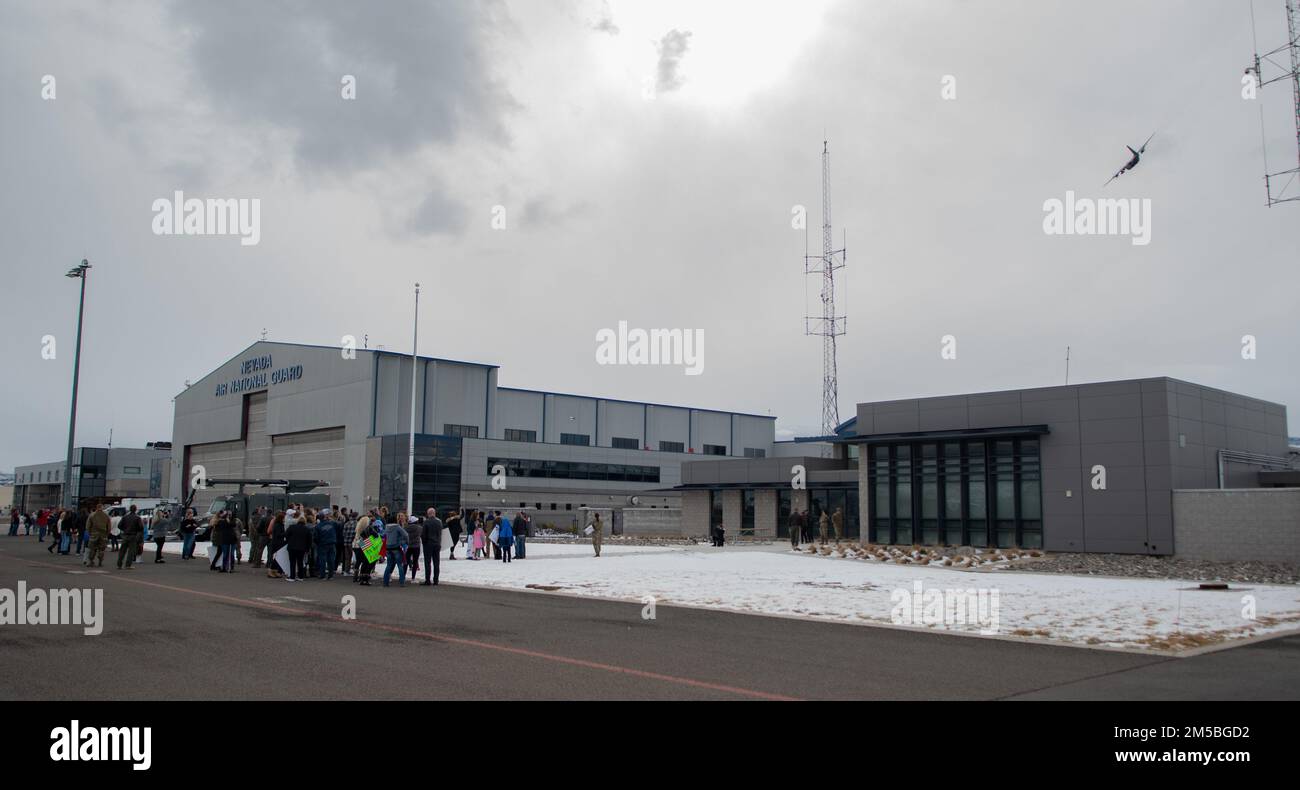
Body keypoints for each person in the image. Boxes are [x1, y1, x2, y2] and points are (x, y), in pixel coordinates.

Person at [383, 512, 409, 587]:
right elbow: (406, 534)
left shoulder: (386, 527)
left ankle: (385, 582)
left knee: (388, 565)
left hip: (388, 548)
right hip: (396, 548)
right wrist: (405, 542)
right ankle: (401, 582)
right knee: (399, 565)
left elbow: (383, 535)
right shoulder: (397, 527)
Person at [285, 510, 312, 582]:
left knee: (292, 562)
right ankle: (300, 577)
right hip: (302, 548)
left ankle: (292, 577)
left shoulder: (292, 527)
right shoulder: (307, 529)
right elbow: (309, 540)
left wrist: (289, 542)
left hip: (292, 547)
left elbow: (286, 535)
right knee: (300, 562)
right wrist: (307, 548)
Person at [117, 505, 144, 570]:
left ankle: (119, 564)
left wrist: (125, 529)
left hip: (125, 535)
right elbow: (141, 527)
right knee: (131, 551)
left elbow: (119, 525)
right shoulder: (137, 518)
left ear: (130, 509)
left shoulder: (125, 517)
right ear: (135, 510)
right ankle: (128, 565)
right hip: (133, 535)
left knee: (122, 551)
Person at [314, 510, 338, 580]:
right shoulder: (332, 524)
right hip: (332, 543)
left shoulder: (318, 526)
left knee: (322, 560)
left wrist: (318, 543)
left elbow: (316, 537)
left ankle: (322, 575)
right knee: (331, 560)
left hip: (322, 544)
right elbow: (337, 528)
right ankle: (331, 575)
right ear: (325, 517)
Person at [85, 503, 110, 567]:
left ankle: (91, 561)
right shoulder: (106, 516)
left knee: (92, 548)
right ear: (102, 508)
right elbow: (109, 527)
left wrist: (90, 533)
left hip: (93, 534)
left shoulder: (92, 515)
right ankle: (100, 562)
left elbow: (88, 526)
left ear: (96, 507)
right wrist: (107, 534)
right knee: (101, 549)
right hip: (103, 535)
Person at [352, 515, 374, 585]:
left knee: (360, 561)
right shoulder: (368, 528)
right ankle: (365, 578)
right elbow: (373, 536)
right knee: (367, 562)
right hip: (365, 543)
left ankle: (359, 577)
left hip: (357, 544)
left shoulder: (358, 528)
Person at [267, 511, 287, 578]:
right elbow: (279, 535)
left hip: (276, 543)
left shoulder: (277, 525)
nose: (285, 519)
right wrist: (286, 533)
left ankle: (274, 571)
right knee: (276, 558)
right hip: (277, 544)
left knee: (276, 558)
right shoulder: (279, 525)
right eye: (284, 518)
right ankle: (271, 570)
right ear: (281, 519)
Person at [404, 512, 423, 579]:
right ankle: (413, 577)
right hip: (416, 547)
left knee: (406, 561)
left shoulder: (406, 528)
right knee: (415, 562)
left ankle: (403, 576)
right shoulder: (419, 528)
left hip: (408, 546)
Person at [339, 510, 357, 577]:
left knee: (347, 558)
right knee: (355, 558)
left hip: (346, 543)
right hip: (353, 543)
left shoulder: (346, 524)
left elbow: (343, 534)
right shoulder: (357, 523)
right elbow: (356, 534)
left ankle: (346, 571)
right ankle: (355, 571)